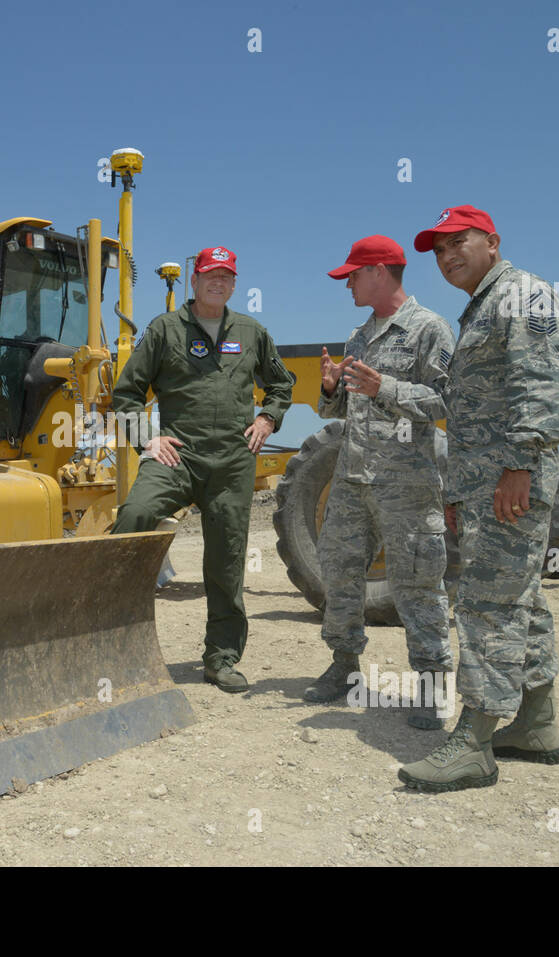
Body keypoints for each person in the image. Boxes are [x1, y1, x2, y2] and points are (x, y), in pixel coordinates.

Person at [398, 206, 559, 792]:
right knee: (522, 598)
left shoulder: (523, 294)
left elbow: (541, 382)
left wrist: (520, 463)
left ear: (492, 242)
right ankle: (536, 722)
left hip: (510, 483)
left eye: (458, 243)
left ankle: (473, 741)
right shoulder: (481, 308)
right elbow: (467, 409)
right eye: (438, 250)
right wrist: (458, 491)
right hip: (484, 486)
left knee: (486, 605)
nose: (447, 257)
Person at [111, 246, 294, 693]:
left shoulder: (251, 332)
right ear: (194, 280)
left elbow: (281, 382)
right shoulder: (165, 329)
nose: (218, 282)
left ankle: (221, 658)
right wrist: (146, 439)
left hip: (232, 461)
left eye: (226, 276)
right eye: (210, 274)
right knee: (135, 515)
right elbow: (126, 393)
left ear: (234, 283)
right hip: (179, 455)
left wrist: (268, 417)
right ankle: (109, 633)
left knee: (226, 561)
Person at [305, 235, 456, 729]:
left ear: (379, 272)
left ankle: (431, 689)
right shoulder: (358, 336)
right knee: (339, 570)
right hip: (353, 478)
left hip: (405, 484)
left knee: (417, 583)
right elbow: (344, 409)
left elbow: (448, 402)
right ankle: (344, 665)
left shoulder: (428, 330)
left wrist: (384, 386)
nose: (347, 282)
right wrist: (330, 390)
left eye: (352, 274)